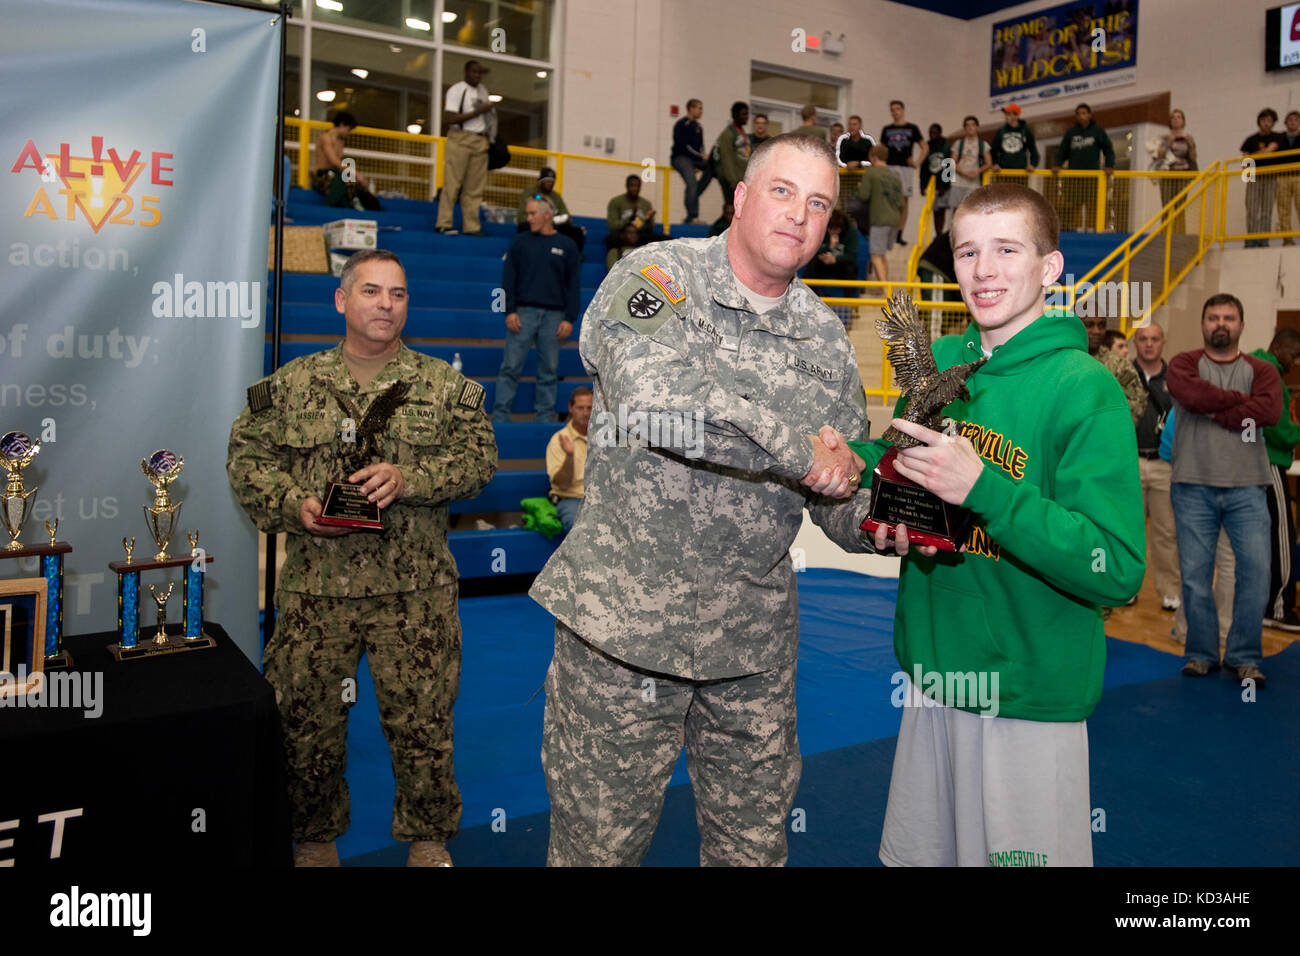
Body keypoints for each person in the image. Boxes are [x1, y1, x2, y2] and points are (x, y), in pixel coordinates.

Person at [530, 133, 874, 867]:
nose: (799, 215)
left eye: (819, 204)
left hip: (750, 651)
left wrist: (892, 519)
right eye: (782, 192)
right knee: (597, 852)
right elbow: (656, 406)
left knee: (751, 853)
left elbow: (840, 489)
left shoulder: (825, 338)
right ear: (742, 198)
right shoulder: (659, 273)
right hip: (624, 638)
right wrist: (797, 448)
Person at [849, 183, 1145, 867]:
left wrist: (987, 489)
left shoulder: (1084, 388)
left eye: (1007, 250)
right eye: (968, 252)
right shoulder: (944, 366)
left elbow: (1118, 566)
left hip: (1028, 694)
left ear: (1050, 267)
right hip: (933, 675)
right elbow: (900, 465)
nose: (983, 271)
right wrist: (862, 481)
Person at [226, 249, 497, 867]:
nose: (386, 304)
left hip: (416, 591)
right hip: (316, 590)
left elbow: (479, 461)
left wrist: (411, 478)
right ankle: (315, 838)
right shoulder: (291, 385)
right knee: (306, 721)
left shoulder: (446, 387)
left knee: (423, 722)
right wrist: (294, 505)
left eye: (397, 294)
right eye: (371, 291)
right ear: (342, 300)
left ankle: (428, 839)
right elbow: (247, 461)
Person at [1166, 293, 1281, 687]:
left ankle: (1243, 656)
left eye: (1228, 318)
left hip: (1248, 488)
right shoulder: (1183, 365)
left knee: (1256, 574)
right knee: (1196, 576)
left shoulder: (1262, 371)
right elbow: (1191, 395)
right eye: (1213, 317)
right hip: (1192, 485)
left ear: (1241, 325)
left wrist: (1214, 409)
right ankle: (1201, 654)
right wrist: (1238, 404)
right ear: (1202, 324)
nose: (1220, 324)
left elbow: (1268, 412)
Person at [494, 197, 581, 423]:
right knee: (510, 367)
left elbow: (573, 286)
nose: (528, 218)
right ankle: (500, 418)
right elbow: (508, 279)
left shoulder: (567, 245)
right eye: (528, 214)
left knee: (549, 372)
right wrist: (509, 311)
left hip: (555, 316)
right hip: (523, 313)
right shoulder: (520, 242)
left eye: (532, 213)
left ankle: (544, 420)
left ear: (546, 215)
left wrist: (569, 318)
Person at [1249, 330, 1300, 631]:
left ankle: (1264, 603)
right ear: (1279, 348)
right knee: (1282, 535)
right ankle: (1278, 608)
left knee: (1262, 539)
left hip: (1251, 462)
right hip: (1268, 462)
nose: (1295, 364)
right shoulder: (1269, 374)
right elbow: (1277, 428)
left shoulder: (1254, 366)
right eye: (1294, 356)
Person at [1132, 323, 1181, 612]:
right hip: (1130, 463)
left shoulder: (1176, 376)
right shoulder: (1123, 373)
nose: (1149, 344)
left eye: (1154, 339)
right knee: (1130, 530)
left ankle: (1170, 591)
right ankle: (1128, 588)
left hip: (1164, 465)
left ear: (1163, 342)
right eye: (1143, 339)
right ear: (1136, 342)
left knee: (1166, 533)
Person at [437, 60, 495, 236]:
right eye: (474, 72)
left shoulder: (483, 91)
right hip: (460, 138)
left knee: (474, 188)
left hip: (479, 141)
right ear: (466, 72)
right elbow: (450, 118)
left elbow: (489, 117)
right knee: (452, 183)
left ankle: (472, 226)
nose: (477, 76)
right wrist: (478, 112)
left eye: (480, 73)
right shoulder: (457, 89)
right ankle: (444, 222)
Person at [1053, 104, 1114, 232]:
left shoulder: (1098, 131)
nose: (1081, 116)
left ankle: (1092, 229)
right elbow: (1063, 150)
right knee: (1076, 204)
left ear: (1090, 115)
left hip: (1093, 176)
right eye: (1079, 113)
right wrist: (1057, 164)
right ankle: (1079, 229)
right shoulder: (1071, 132)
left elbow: (1108, 150)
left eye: (1084, 113)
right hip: (1074, 176)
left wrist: (1109, 166)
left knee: (1092, 204)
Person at [852, 144, 904, 284]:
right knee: (881, 255)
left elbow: (864, 195)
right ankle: (885, 286)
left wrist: (858, 187)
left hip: (879, 219)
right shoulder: (895, 176)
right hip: (894, 220)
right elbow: (901, 203)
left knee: (875, 255)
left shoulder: (871, 172)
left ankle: (885, 290)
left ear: (873, 157)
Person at [880, 100, 927, 246]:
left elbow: (924, 147)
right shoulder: (887, 129)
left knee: (903, 202)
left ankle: (899, 234)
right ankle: (889, 233)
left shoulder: (912, 128)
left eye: (897, 109)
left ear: (903, 110)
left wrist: (917, 163)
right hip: (890, 167)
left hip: (905, 168)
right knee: (889, 201)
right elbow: (881, 150)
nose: (895, 112)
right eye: (892, 110)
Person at [313, 112, 382, 211]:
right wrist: (356, 174)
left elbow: (339, 164)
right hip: (322, 176)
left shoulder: (340, 142)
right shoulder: (326, 138)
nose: (349, 133)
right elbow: (333, 161)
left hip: (335, 174)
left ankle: (366, 205)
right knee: (346, 181)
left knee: (354, 182)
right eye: (348, 129)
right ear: (341, 124)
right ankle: (346, 204)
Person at [546, 387, 593, 533]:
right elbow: (562, 484)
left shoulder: (603, 437)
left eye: (590, 408)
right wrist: (570, 456)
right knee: (580, 531)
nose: (585, 413)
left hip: (599, 498)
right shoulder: (559, 439)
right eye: (580, 408)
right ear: (570, 408)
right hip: (571, 499)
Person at [1241, 108, 1284, 248]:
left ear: (1273, 123)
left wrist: (1255, 154)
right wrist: (1262, 152)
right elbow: (1245, 160)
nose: (1266, 123)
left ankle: (1263, 239)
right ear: (1259, 121)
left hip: (1270, 176)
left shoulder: (1277, 137)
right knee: (1252, 209)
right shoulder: (1250, 140)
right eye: (1263, 120)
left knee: (1266, 210)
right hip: (1253, 176)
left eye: (1269, 121)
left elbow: (1268, 151)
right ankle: (1252, 239)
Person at [517, 167, 585, 252]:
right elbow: (521, 217)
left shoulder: (556, 197)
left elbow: (565, 216)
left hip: (552, 226)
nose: (550, 183)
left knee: (577, 232)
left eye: (552, 181)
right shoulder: (530, 193)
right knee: (523, 227)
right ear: (540, 181)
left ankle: (575, 257)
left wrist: (552, 221)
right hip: (532, 225)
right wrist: (539, 221)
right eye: (547, 181)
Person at [1151, 109, 1197, 232]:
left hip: (1182, 174)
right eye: (1173, 118)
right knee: (1166, 205)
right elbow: (1158, 155)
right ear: (1170, 121)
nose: (1176, 120)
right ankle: (1164, 233)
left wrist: (1191, 144)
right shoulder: (1164, 138)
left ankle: (1179, 234)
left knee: (1180, 206)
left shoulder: (1188, 138)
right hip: (1167, 173)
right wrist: (1169, 142)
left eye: (1179, 117)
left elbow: (1192, 157)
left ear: (1183, 121)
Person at [671, 99, 713, 224]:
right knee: (692, 182)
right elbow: (684, 146)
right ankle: (692, 216)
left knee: (712, 167)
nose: (701, 111)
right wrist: (701, 156)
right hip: (680, 158)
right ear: (691, 108)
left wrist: (704, 157)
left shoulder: (699, 127)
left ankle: (693, 194)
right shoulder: (682, 124)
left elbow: (701, 147)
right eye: (699, 108)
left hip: (695, 159)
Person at [804, 208, 860, 294]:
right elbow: (813, 250)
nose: (833, 232)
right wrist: (829, 247)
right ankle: (808, 295)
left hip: (841, 266)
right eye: (831, 229)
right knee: (812, 263)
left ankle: (850, 301)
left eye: (836, 229)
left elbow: (851, 255)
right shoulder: (821, 230)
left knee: (850, 268)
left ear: (842, 227)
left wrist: (835, 259)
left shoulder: (851, 232)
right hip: (823, 264)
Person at [950, 115, 992, 209]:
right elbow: (952, 162)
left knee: (971, 209)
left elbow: (989, 163)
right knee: (956, 210)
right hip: (958, 182)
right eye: (967, 125)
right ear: (964, 128)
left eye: (973, 125)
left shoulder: (983, 144)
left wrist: (977, 171)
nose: (970, 127)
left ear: (977, 127)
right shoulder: (959, 143)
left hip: (973, 183)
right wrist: (964, 172)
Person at [713, 101, 751, 201]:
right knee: (732, 209)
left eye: (747, 113)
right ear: (735, 115)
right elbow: (726, 158)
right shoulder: (728, 134)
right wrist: (732, 180)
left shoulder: (743, 133)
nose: (746, 116)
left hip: (743, 177)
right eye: (744, 114)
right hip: (732, 181)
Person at [606, 174, 657, 247]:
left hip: (640, 236)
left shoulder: (646, 204)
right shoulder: (616, 201)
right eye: (632, 185)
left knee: (659, 240)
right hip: (622, 235)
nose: (635, 188)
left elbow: (650, 230)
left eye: (638, 186)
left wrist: (648, 221)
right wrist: (629, 218)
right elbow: (612, 226)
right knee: (611, 239)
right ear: (626, 186)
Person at [919, 123, 951, 235]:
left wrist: (946, 185)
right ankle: (937, 233)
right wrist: (922, 185)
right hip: (931, 184)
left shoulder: (946, 146)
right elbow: (923, 167)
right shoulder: (927, 147)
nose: (932, 135)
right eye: (930, 132)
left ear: (940, 133)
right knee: (934, 210)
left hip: (942, 184)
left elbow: (949, 165)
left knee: (941, 210)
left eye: (935, 132)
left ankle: (940, 233)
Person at [989, 104, 1039, 176]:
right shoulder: (1000, 131)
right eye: (1005, 114)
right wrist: (995, 164)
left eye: (1009, 114)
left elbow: (1033, 150)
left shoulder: (1026, 131)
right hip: (1003, 172)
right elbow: (993, 151)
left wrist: (1033, 164)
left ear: (1016, 116)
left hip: (1021, 172)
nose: (1006, 117)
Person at [1277, 110, 1300, 245]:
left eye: (1296, 119)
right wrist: (1249, 176)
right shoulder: (1279, 138)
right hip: (1282, 177)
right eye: (1290, 119)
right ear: (1285, 123)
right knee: (1283, 209)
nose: (1293, 122)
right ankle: (1287, 239)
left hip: (1298, 176)